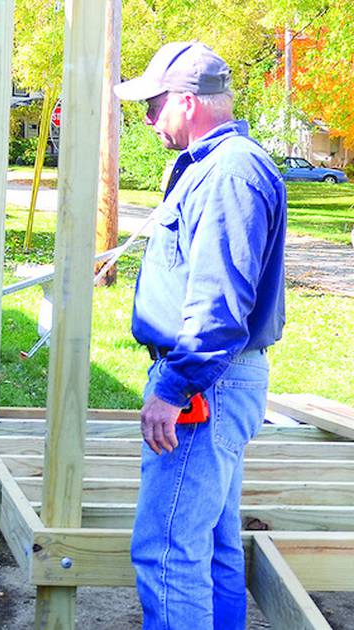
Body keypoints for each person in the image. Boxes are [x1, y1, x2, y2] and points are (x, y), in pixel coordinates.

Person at [114, 42, 286, 628]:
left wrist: (174, 388)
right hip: (214, 380)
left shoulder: (230, 174)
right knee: (209, 544)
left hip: (204, 384)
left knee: (166, 550)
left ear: (187, 103)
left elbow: (218, 305)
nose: (146, 118)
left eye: (153, 105)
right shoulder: (210, 166)